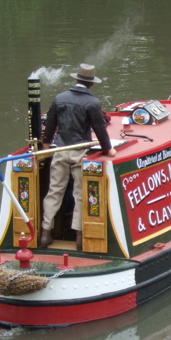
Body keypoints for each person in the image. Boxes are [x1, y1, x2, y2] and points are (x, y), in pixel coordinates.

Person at [39, 63, 117, 250]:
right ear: (91, 84)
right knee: (80, 195)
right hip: (80, 152)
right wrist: (108, 149)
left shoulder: (60, 98)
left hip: (60, 150)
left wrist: (47, 144)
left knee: (54, 191)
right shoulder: (92, 103)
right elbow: (99, 129)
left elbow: (50, 125)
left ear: (77, 80)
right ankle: (80, 238)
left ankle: (45, 234)